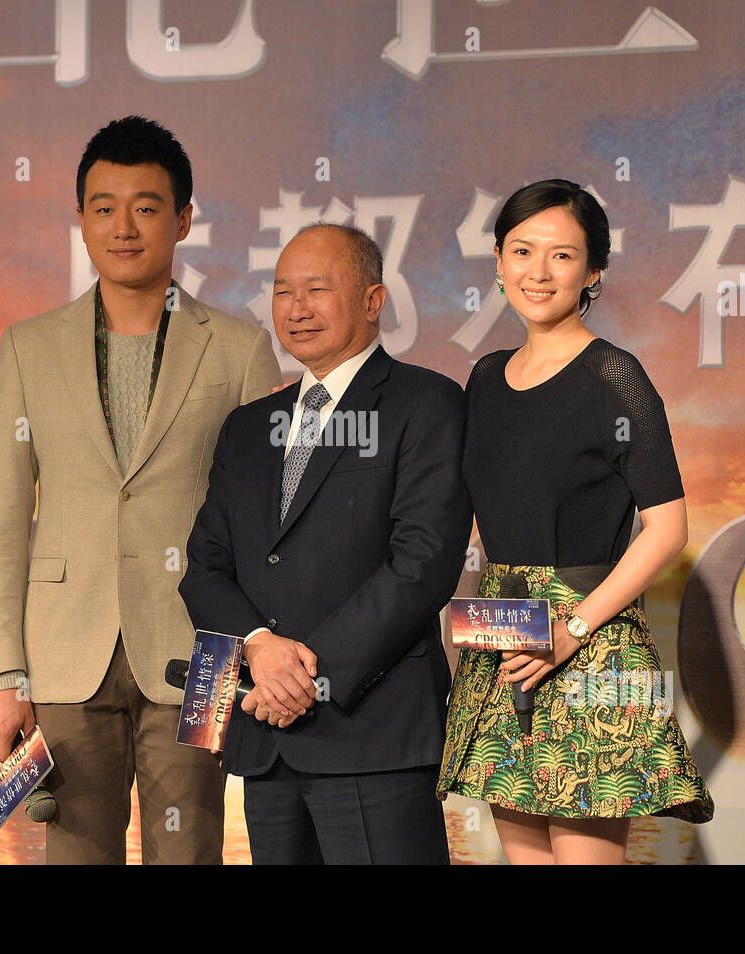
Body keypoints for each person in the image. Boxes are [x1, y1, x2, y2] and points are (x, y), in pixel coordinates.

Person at [0, 116, 282, 864]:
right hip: (62, 646)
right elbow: (3, 522)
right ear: (80, 220)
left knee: (191, 849)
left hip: (204, 656)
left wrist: (256, 649)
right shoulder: (27, 346)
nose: (123, 226)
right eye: (103, 206)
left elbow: (270, 522)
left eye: (146, 207)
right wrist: (0, 673)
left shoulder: (239, 348)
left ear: (182, 219)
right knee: (77, 853)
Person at [437, 179, 714, 864]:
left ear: (593, 272)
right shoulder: (485, 376)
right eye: (522, 250)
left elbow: (667, 528)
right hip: (504, 640)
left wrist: (574, 629)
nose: (538, 272)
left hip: (588, 645)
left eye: (562, 256)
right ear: (499, 262)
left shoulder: (616, 377)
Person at [179, 223, 472, 864]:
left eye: (318, 288)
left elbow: (422, 564)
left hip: (373, 732)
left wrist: (306, 674)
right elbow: (203, 569)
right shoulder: (250, 427)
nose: (297, 308)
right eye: (283, 291)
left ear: (373, 300)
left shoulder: (426, 404)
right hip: (265, 738)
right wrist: (260, 651)